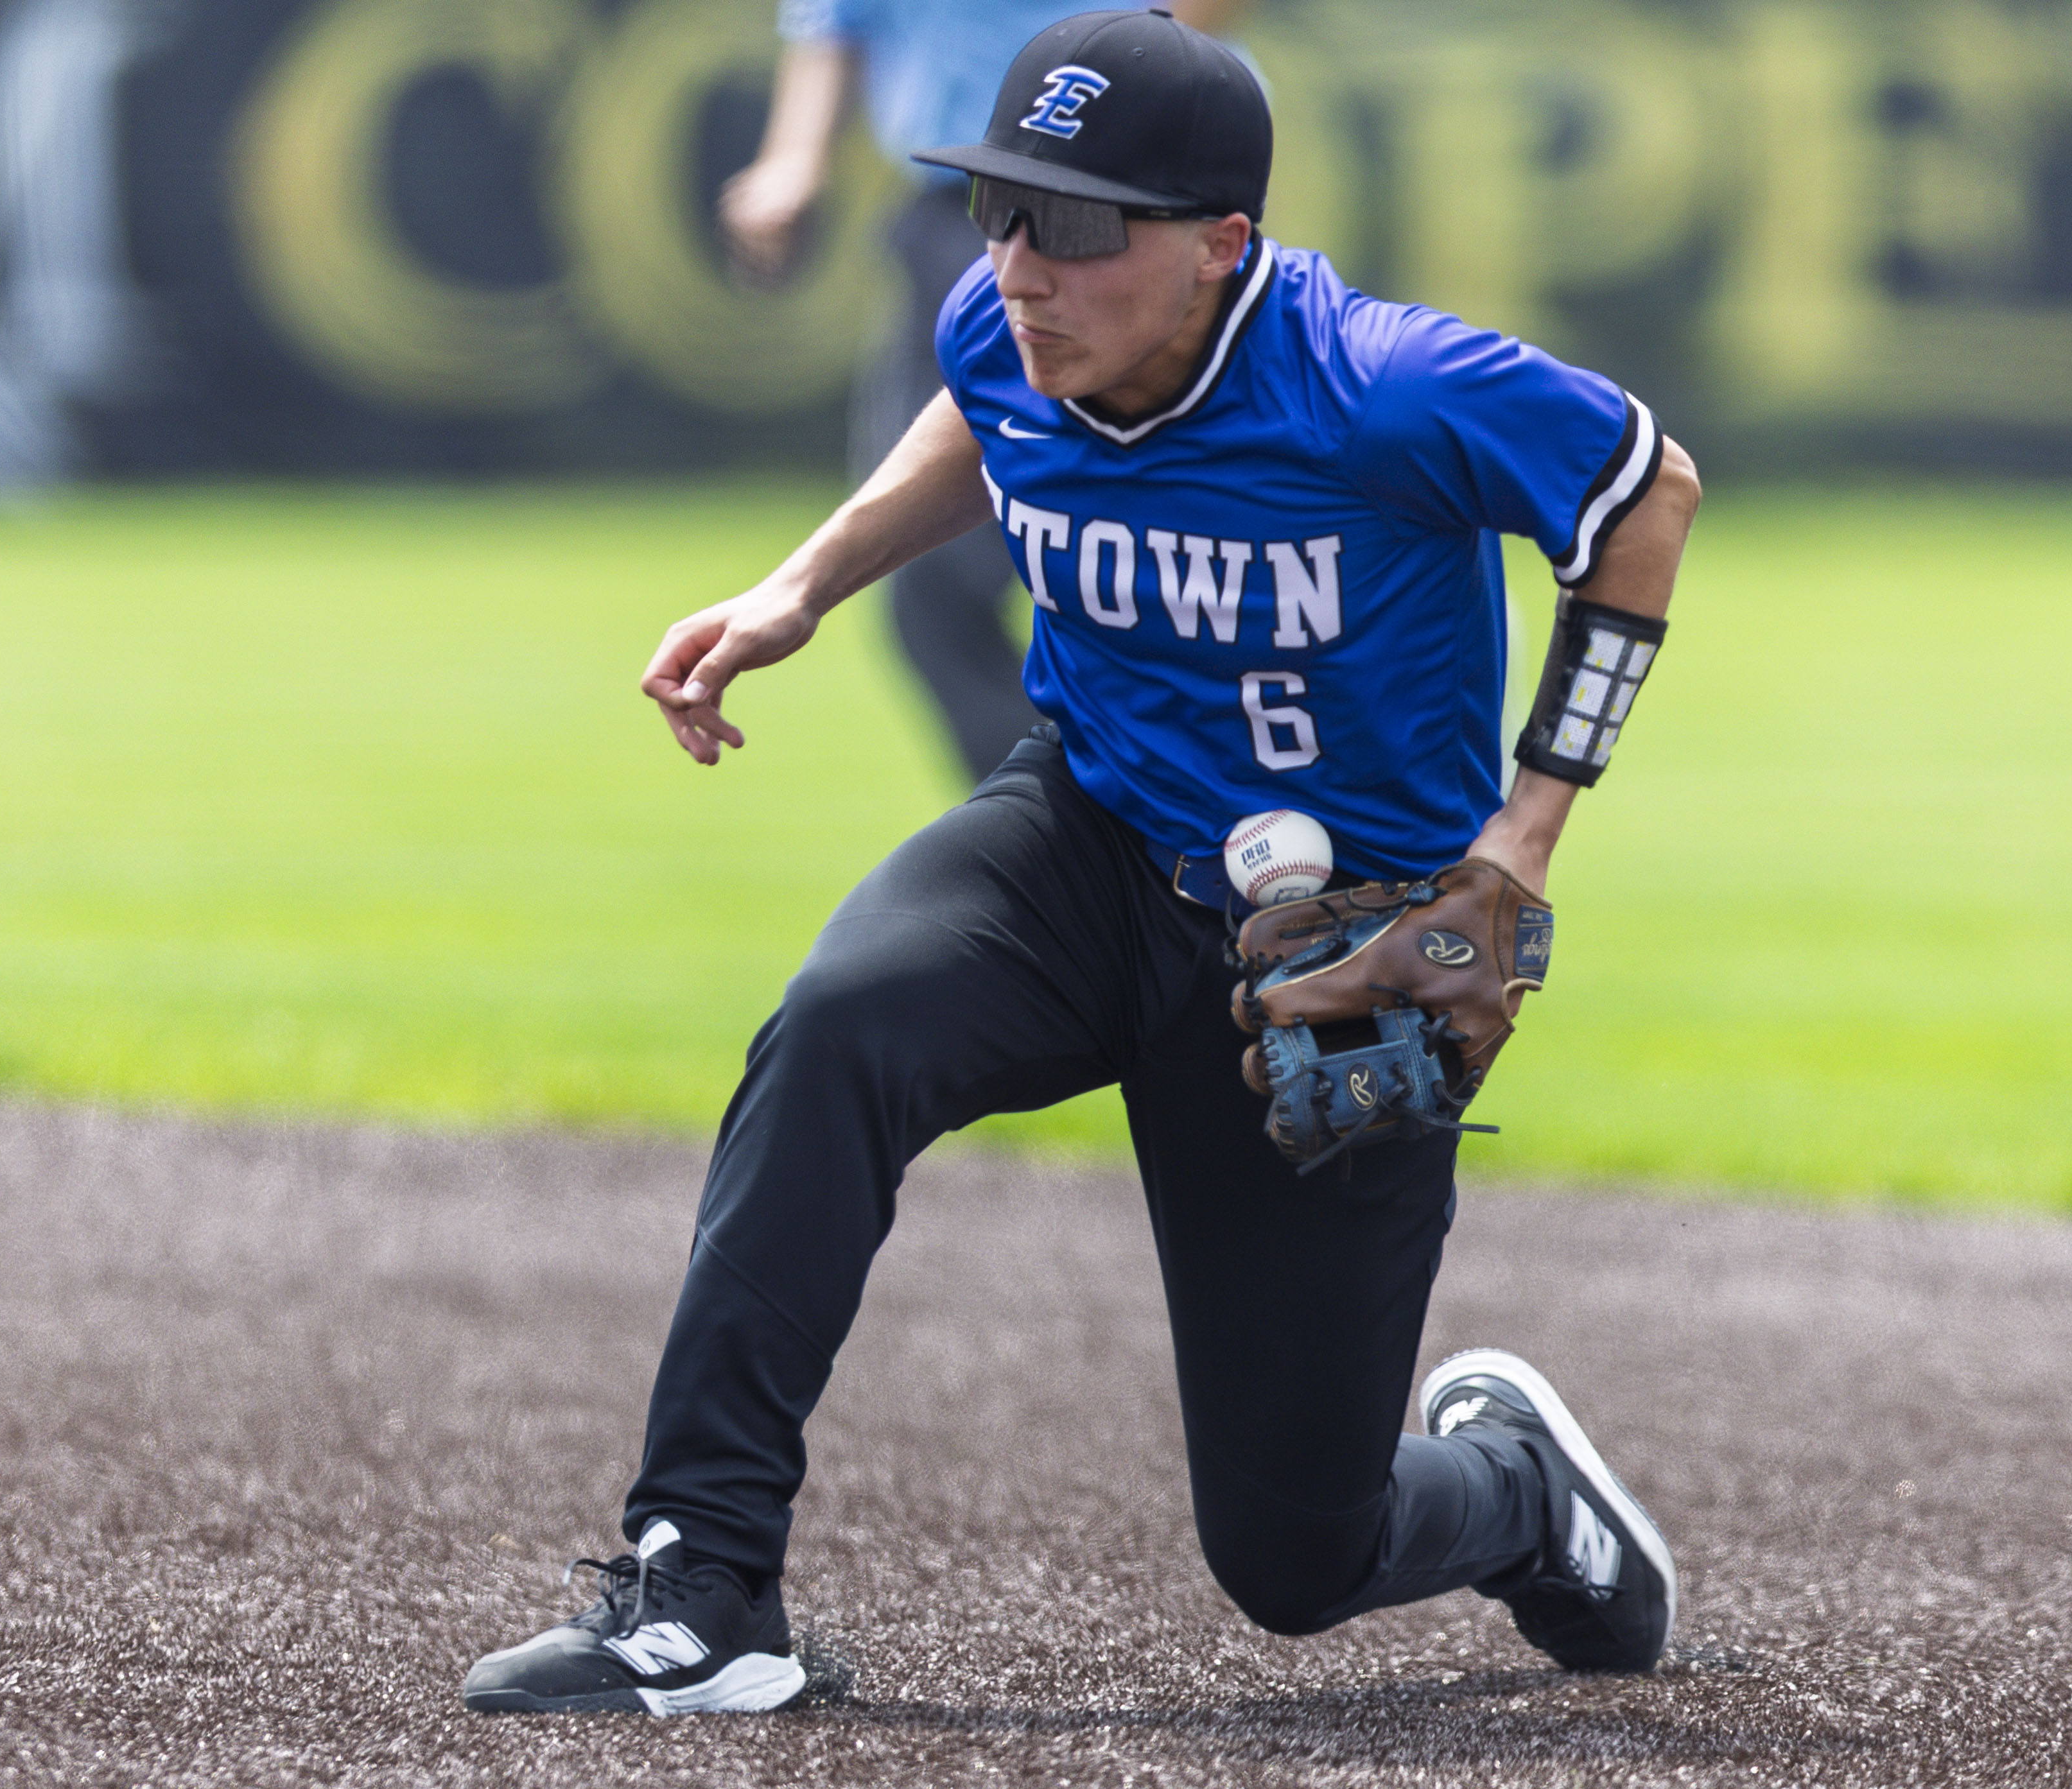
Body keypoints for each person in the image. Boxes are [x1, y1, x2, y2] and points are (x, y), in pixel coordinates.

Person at [463, 8, 1702, 1716]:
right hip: (1084, 834)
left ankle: (1514, 1492)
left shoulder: (1384, 387)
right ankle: (699, 1586)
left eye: (1076, 223)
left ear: (1218, 244)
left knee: (1295, 1556)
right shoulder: (1004, 318)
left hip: (1346, 934)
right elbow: (983, 409)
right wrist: (800, 588)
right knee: (837, 1033)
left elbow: (1644, 490)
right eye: (998, 208)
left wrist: (1521, 836)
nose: (1021, 261)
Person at [723, 0, 1252, 781]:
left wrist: (1137, 89)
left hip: (1138, 200)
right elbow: (835, 21)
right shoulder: (986, 275)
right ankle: (1072, 835)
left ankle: (1209, 809)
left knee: (1197, 559)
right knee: (931, 592)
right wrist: (793, 156)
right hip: (960, 204)